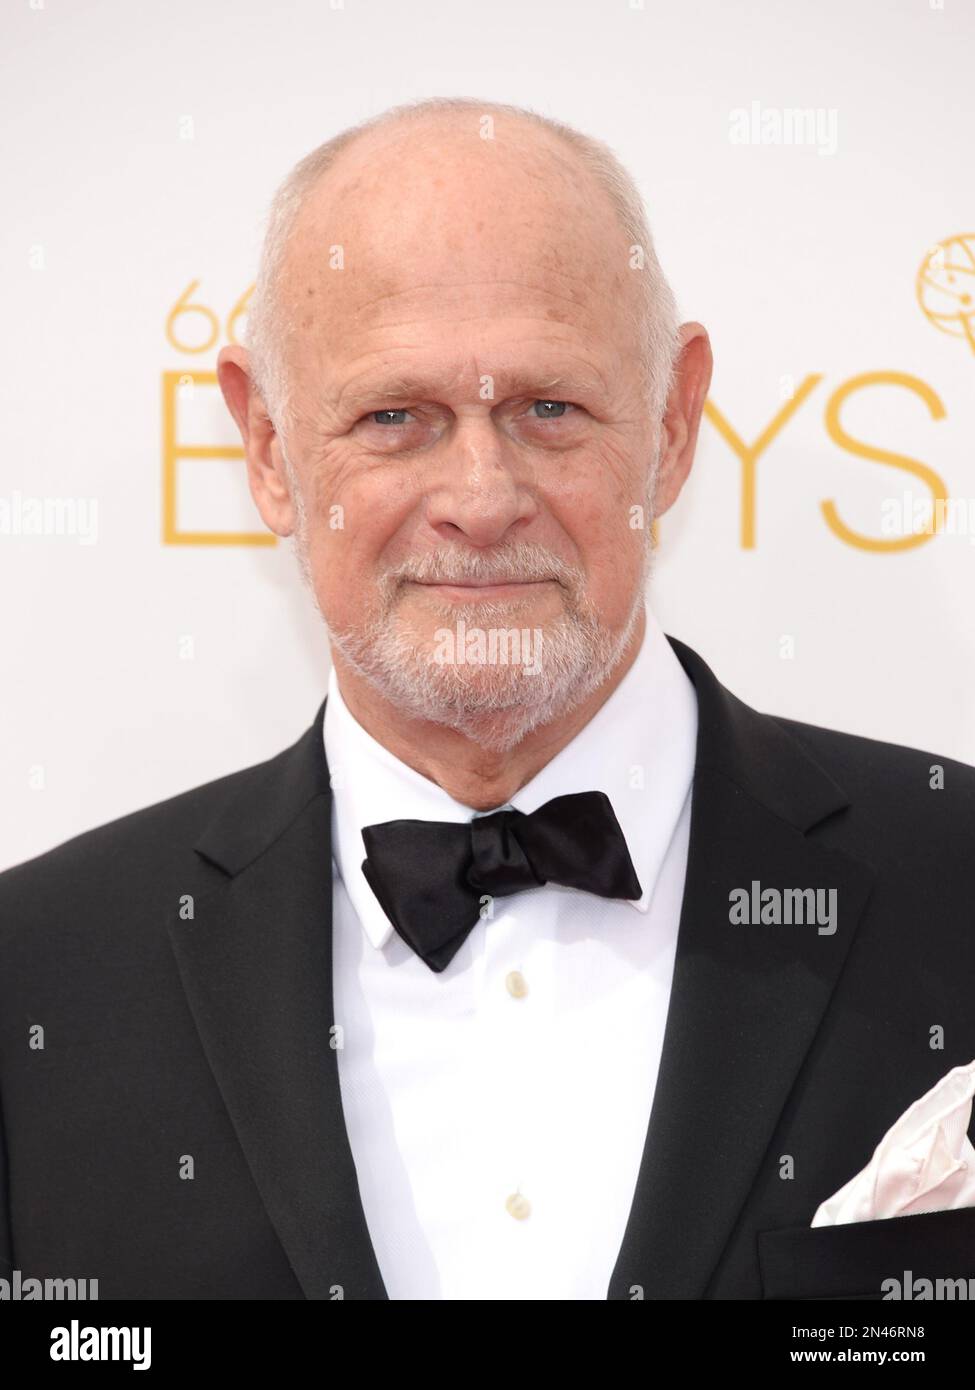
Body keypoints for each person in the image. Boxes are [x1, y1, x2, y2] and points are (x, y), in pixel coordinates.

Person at [2, 98, 974, 1301]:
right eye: (394, 416)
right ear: (266, 445)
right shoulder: (35, 979)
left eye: (548, 408)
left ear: (672, 424)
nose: (480, 495)